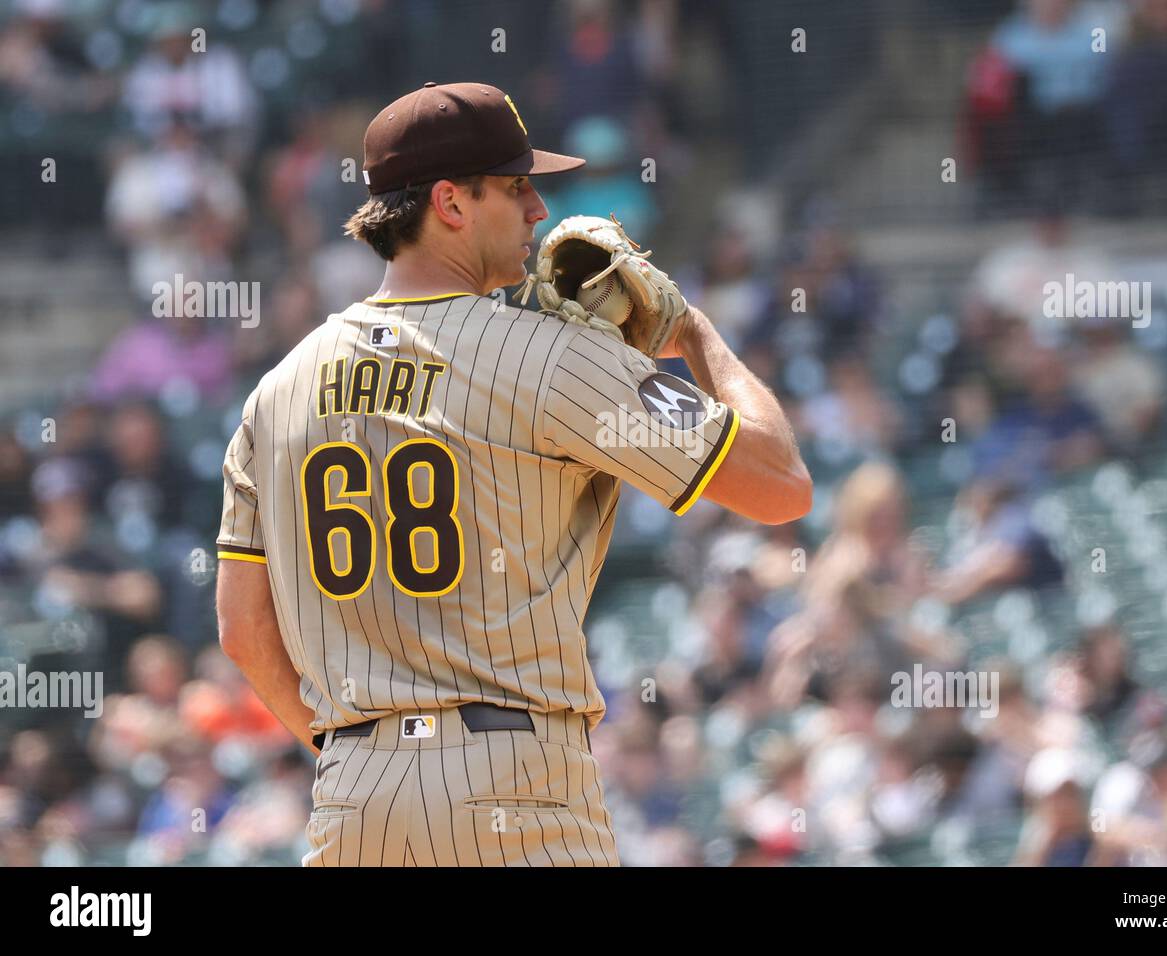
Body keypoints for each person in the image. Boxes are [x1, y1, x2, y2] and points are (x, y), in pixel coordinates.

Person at [213, 82, 811, 867]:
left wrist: (355, 755)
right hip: (513, 787)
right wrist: (689, 330)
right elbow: (780, 484)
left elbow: (243, 632)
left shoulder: (276, 392)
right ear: (451, 203)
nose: (538, 210)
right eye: (518, 185)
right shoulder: (551, 355)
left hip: (353, 801)